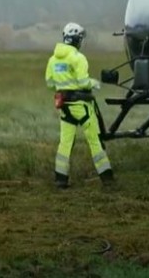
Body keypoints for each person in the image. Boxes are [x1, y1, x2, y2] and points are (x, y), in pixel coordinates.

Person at [45, 22, 114, 189]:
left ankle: (61, 179)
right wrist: (94, 83)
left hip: (64, 105)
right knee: (95, 140)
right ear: (77, 40)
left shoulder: (53, 59)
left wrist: (63, 85)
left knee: (65, 142)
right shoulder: (78, 58)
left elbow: (49, 83)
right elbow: (83, 82)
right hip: (82, 106)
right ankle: (107, 179)